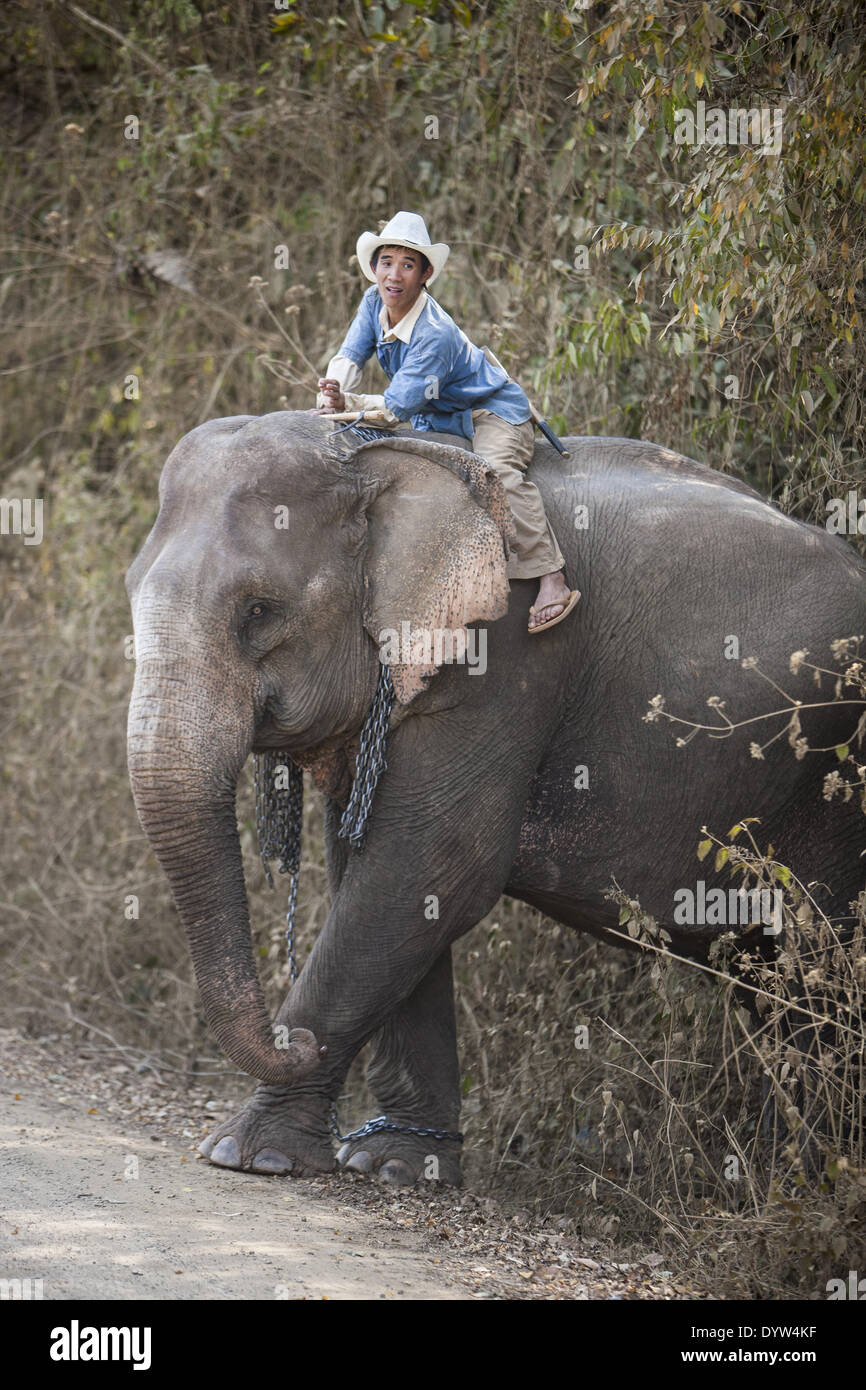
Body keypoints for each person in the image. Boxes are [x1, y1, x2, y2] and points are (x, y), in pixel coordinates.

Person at [316, 211, 579, 633]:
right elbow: (349, 356)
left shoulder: (434, 334)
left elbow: (395, 409)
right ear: (374, 268)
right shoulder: (372, 302)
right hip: (434, 413)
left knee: (497, 475)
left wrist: (350, 404)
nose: (394, 275)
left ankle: (552, 578)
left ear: (425, 275)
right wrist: (332, 396)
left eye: (407, 265)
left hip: (490, 412)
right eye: (386, 262)